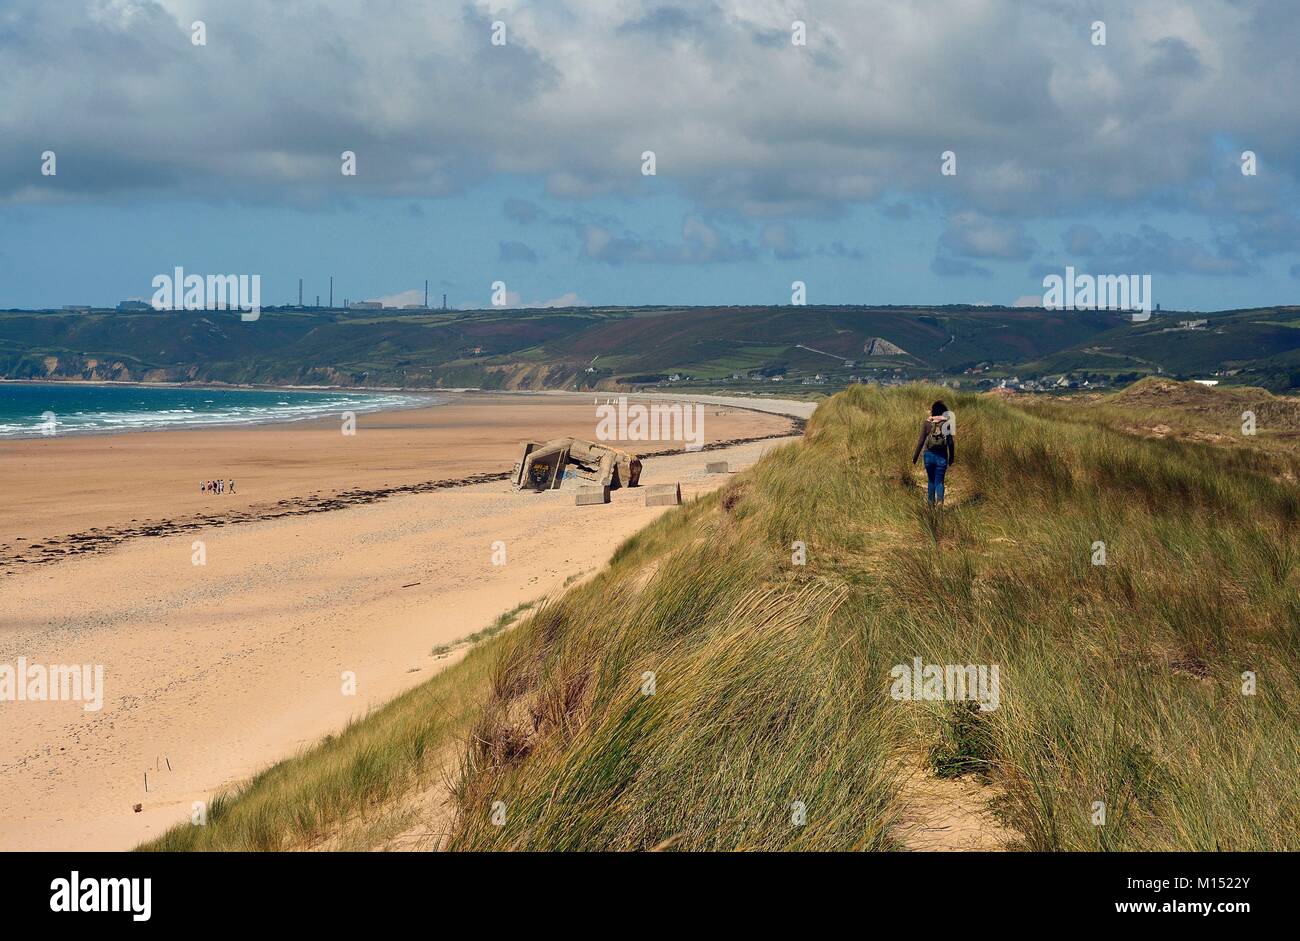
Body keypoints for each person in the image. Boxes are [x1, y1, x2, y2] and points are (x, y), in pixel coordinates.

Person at [911, 400, 955, 507]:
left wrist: (915, 457)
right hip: (941, 457)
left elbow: (921, 441)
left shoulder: (927, 423)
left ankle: (930, 505)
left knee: (931, 481)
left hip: (928, 456)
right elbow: (950, 443)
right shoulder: (947, 424)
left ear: (933, 411)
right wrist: (951, 458)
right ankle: (940, 502)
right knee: (939, 482)